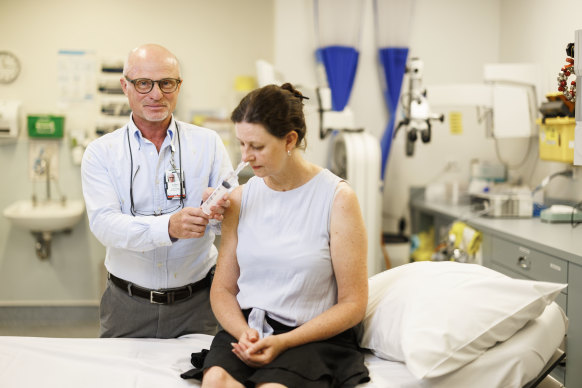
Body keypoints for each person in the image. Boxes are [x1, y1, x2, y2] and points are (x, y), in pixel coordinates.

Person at [193, 83, 370, 387]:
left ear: (290, 140)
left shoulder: (337, 199)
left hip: (310, 336)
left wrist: (284, 342)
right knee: (216, 381)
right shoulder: (239, 199)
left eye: (257, 147)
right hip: (249, 328)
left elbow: (353, 303)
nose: (246, 157)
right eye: (241, 144)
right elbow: (223, 290)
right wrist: (242, 333)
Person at [81, 43, 234, 338]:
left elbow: (229, 222)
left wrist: (222, 212)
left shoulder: (208, 144)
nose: (156, 94)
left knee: (196, 382)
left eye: (166, 83)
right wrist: (169, 227)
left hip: (199, 303)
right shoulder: (101, 152)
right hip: (127, 304)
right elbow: (105, 225)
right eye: (143, 84)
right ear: (125, 86)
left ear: (179, 86)